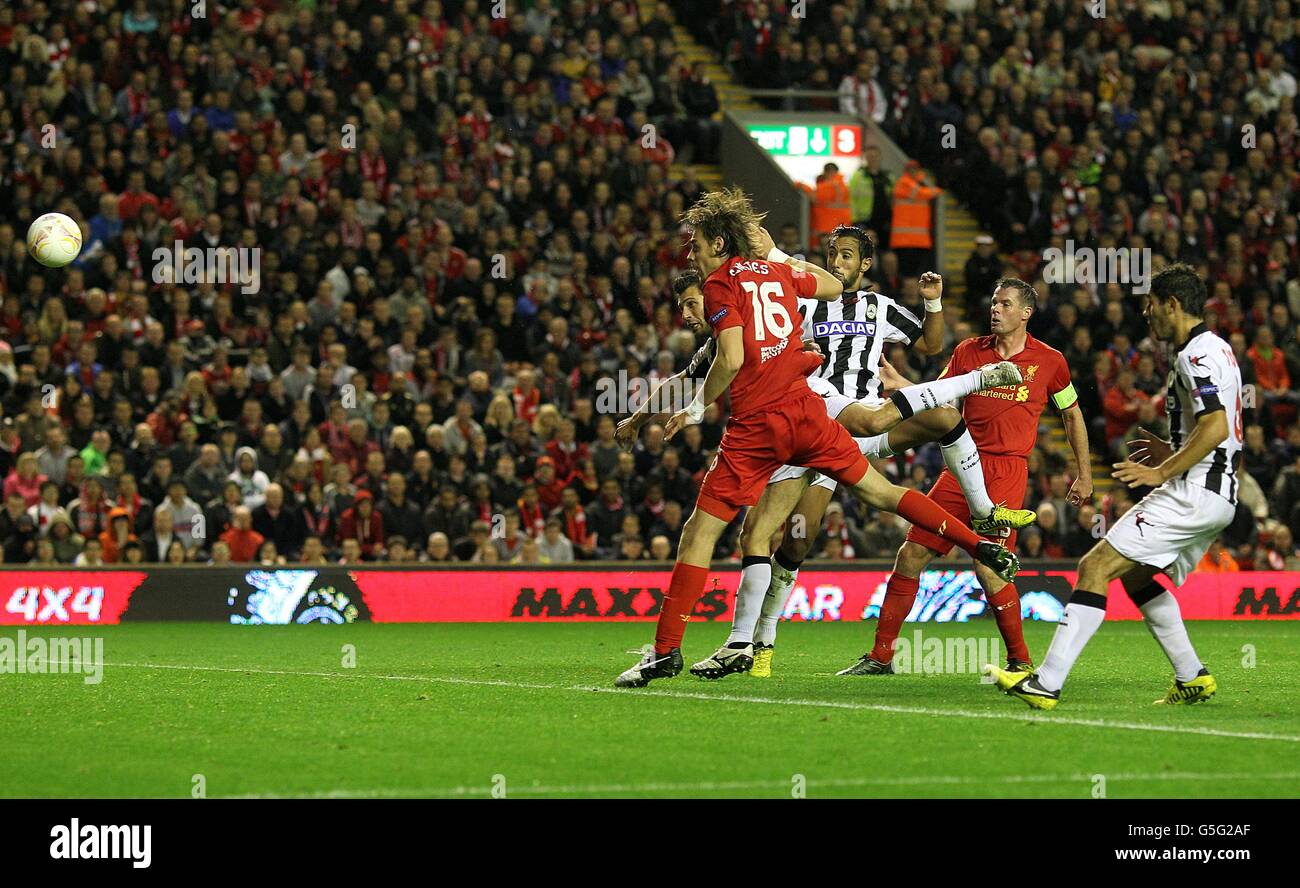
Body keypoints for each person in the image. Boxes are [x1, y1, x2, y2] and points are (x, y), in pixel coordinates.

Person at [613, 188, 1019, 688]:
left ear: (719, 243)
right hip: (808, 413)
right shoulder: (781, 273)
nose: (690, 255)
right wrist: (779, 257)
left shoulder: (720, 285)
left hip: (760, 427)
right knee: (879, 494)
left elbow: (733, 358)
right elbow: (829, 285)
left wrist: (696, 408)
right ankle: (979, 543)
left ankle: (665, 652)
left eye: (695, 245)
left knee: (702, 532)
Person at [702, 227, 1037, 679]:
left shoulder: (880, 308)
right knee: (797, 538)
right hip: (818, 422)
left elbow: (930, 344)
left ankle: (984, 511)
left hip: (867, 422)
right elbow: (769, 332)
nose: (836, 261)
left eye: (846, 255)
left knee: (941, 418)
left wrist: (933, 303)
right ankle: (762, 638)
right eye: (831, 253)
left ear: (864, 265)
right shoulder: (802, 298)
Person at [988, 264, 1239, 708]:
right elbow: (1220, 429)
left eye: (1151, 305)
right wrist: (1174, 448)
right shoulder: (1219, 349)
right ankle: (1192, 677)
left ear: (1172, 305)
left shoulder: (1194, 356)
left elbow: (1216, 426)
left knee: (1095, 566)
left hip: (1194, 491)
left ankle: (1045, 682)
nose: (1146, 314)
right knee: (1138, 577)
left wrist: (1164, 471)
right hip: (1218, 491)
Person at [842, 277, 1092, 676]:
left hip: (1007, 471)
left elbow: (1072, 413)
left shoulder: (1050, 361)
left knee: (989, 568)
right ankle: (879, 657)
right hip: (961, 465)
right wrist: (901, 385)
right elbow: (939, 397)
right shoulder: (968, 351)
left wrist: (1084, 473)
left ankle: (1021, 662)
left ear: (1026, 313)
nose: (995, 309)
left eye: (1005, 304)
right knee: (910, 555)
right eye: (994, 302)